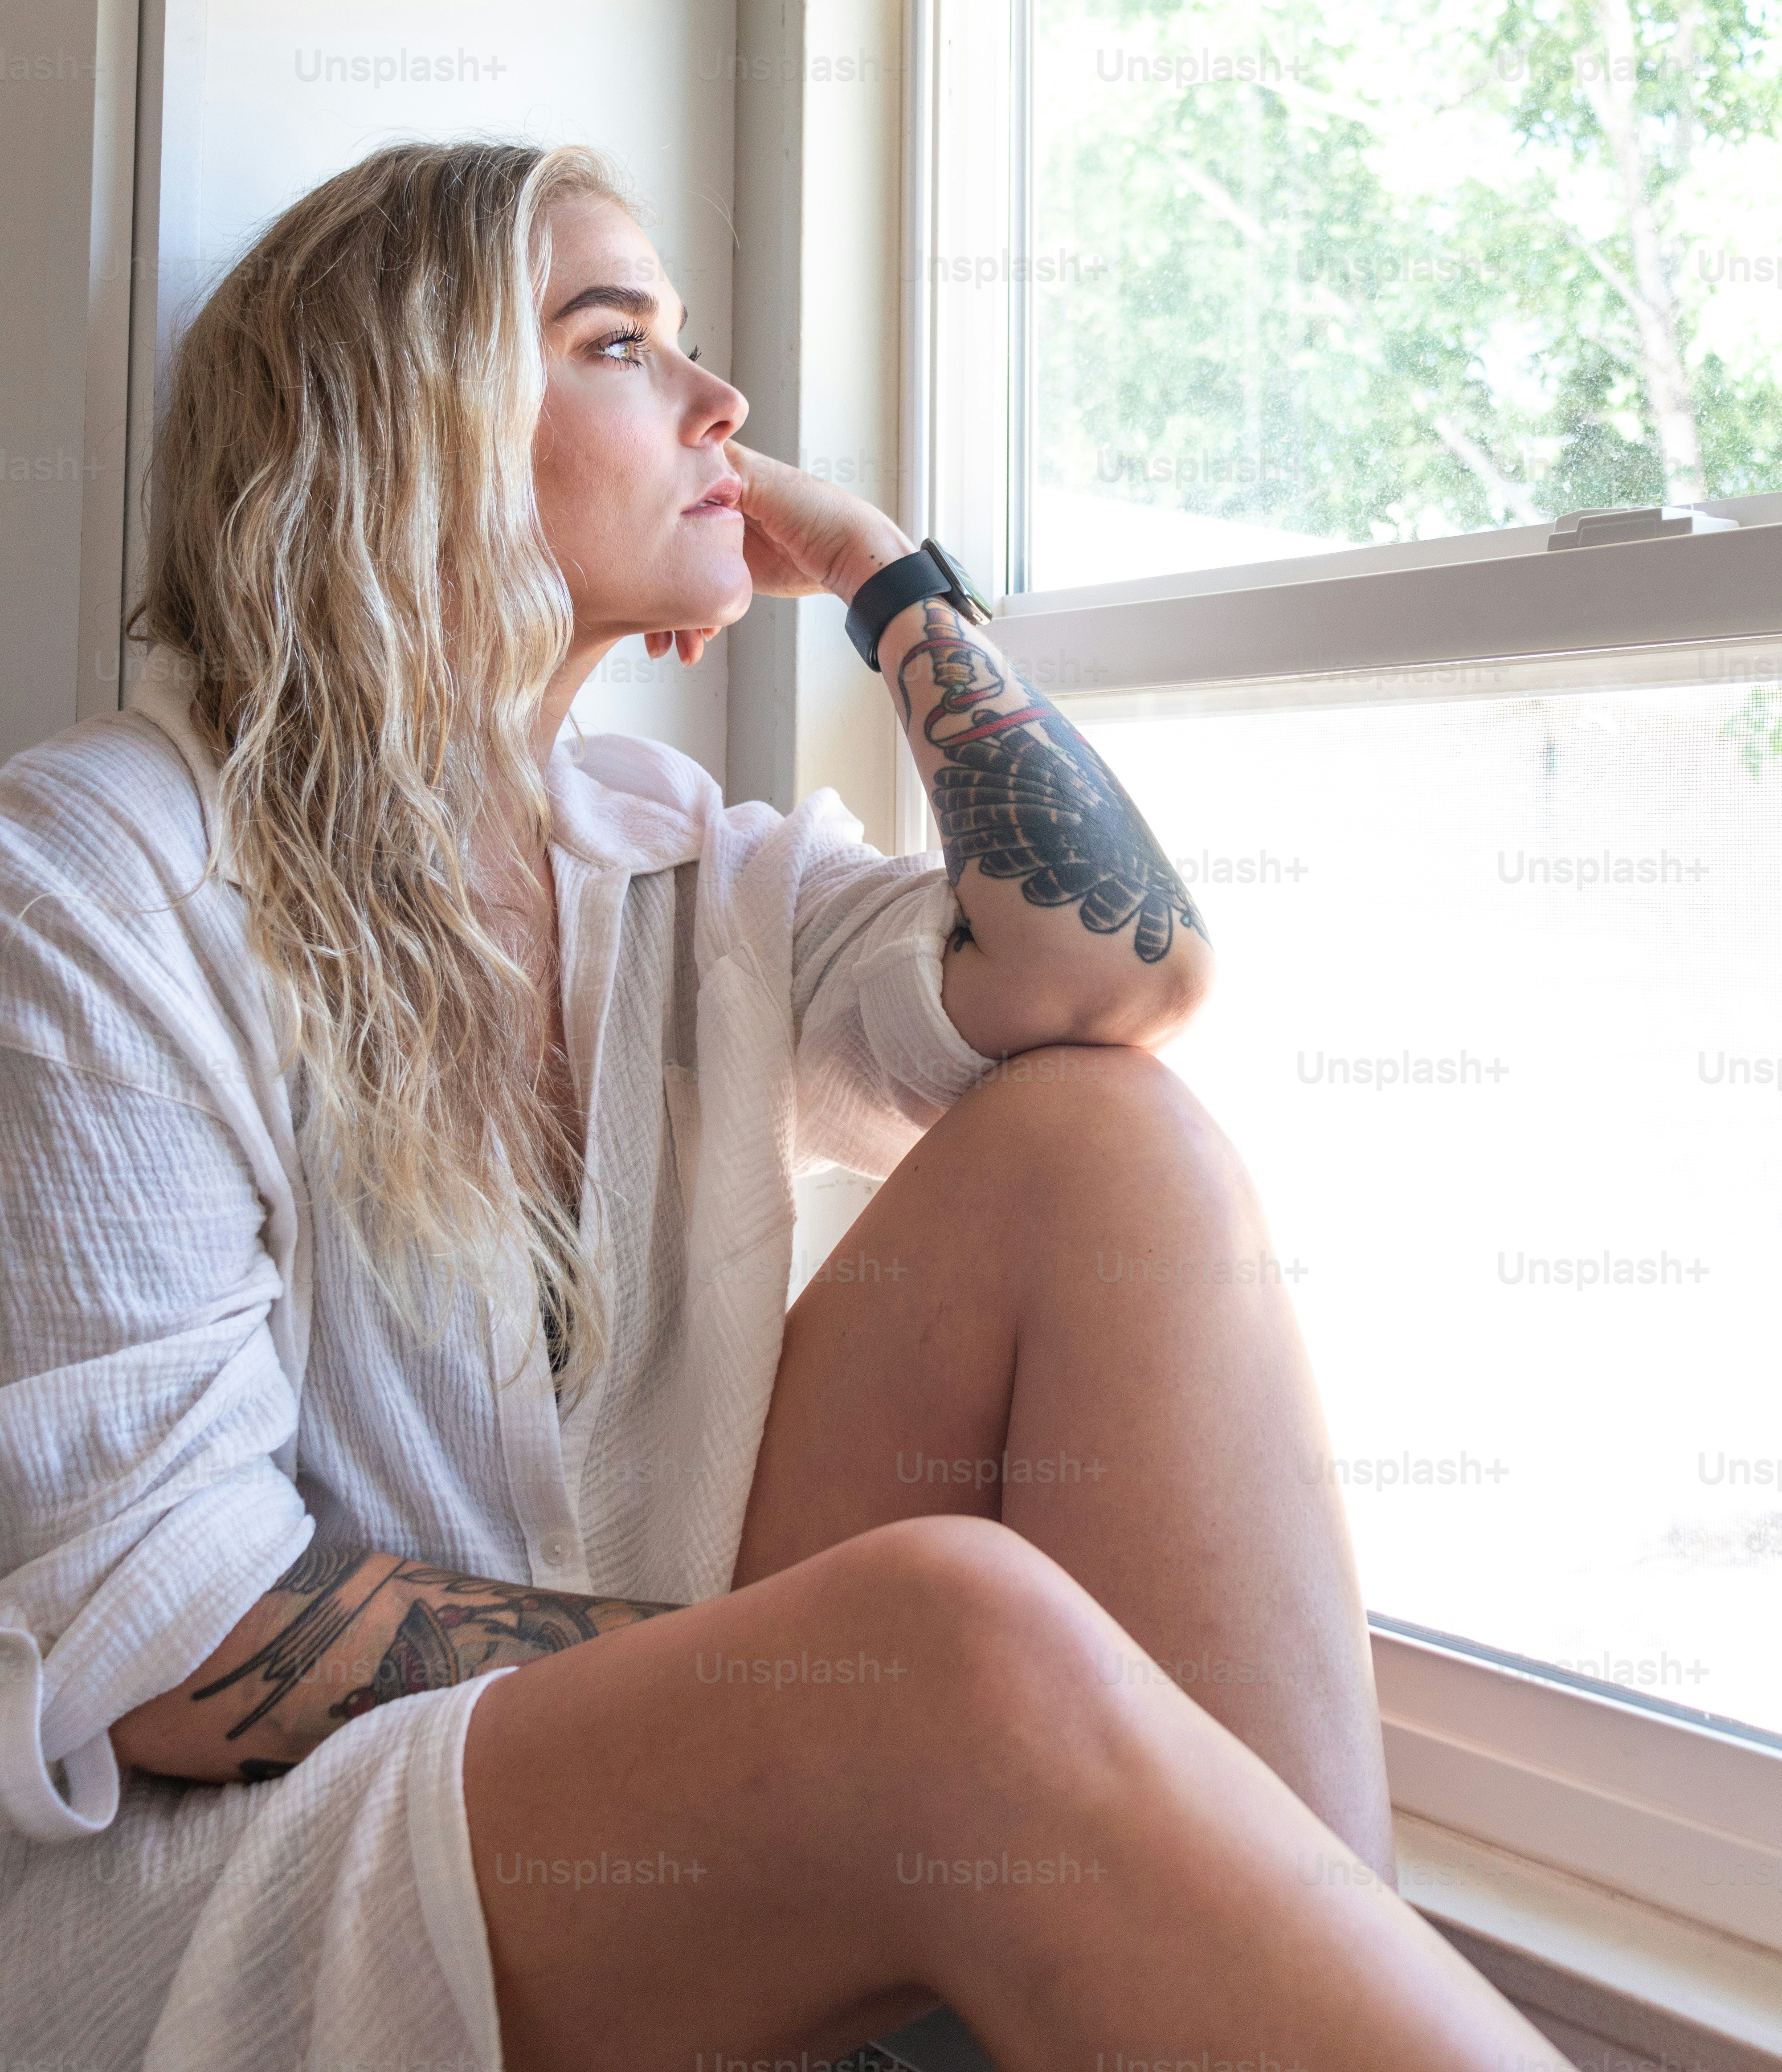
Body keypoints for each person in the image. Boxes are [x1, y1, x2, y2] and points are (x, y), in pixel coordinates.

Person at [0, 140, 1553, 2072]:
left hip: (605, 1759)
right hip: (232, 1885)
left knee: (1106, 1140)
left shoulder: (676, 865)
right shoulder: (97, 876)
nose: (722, 408)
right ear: (414, 428)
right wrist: (842, 1705)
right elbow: (172, 1649)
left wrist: (896, 587)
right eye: (619, 342)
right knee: (956, 1640)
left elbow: (1116, 974)